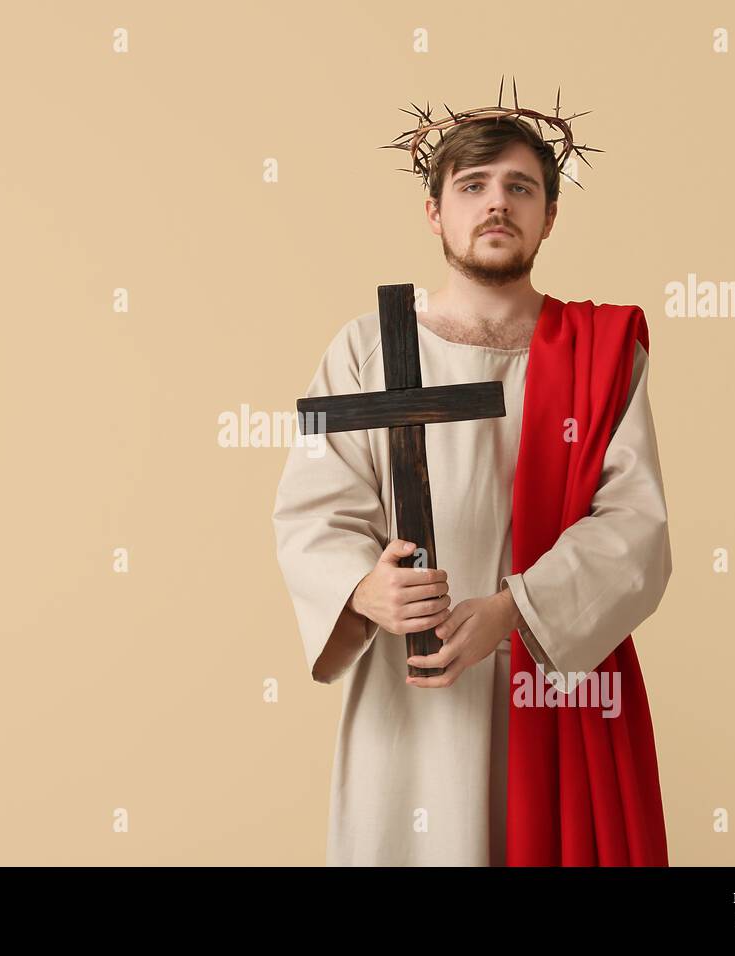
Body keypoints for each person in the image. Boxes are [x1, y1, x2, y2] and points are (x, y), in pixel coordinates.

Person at [271, 101, 673, 866]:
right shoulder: (367, 348)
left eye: (521, 188)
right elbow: (314, 509)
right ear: (434, 211)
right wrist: (362, 588)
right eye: (473, 185)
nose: (497, 202)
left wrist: (514, 609)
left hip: (556, 677)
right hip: (415, 684)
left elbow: (634, 524)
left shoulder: (603, 352)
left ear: (549, 216)